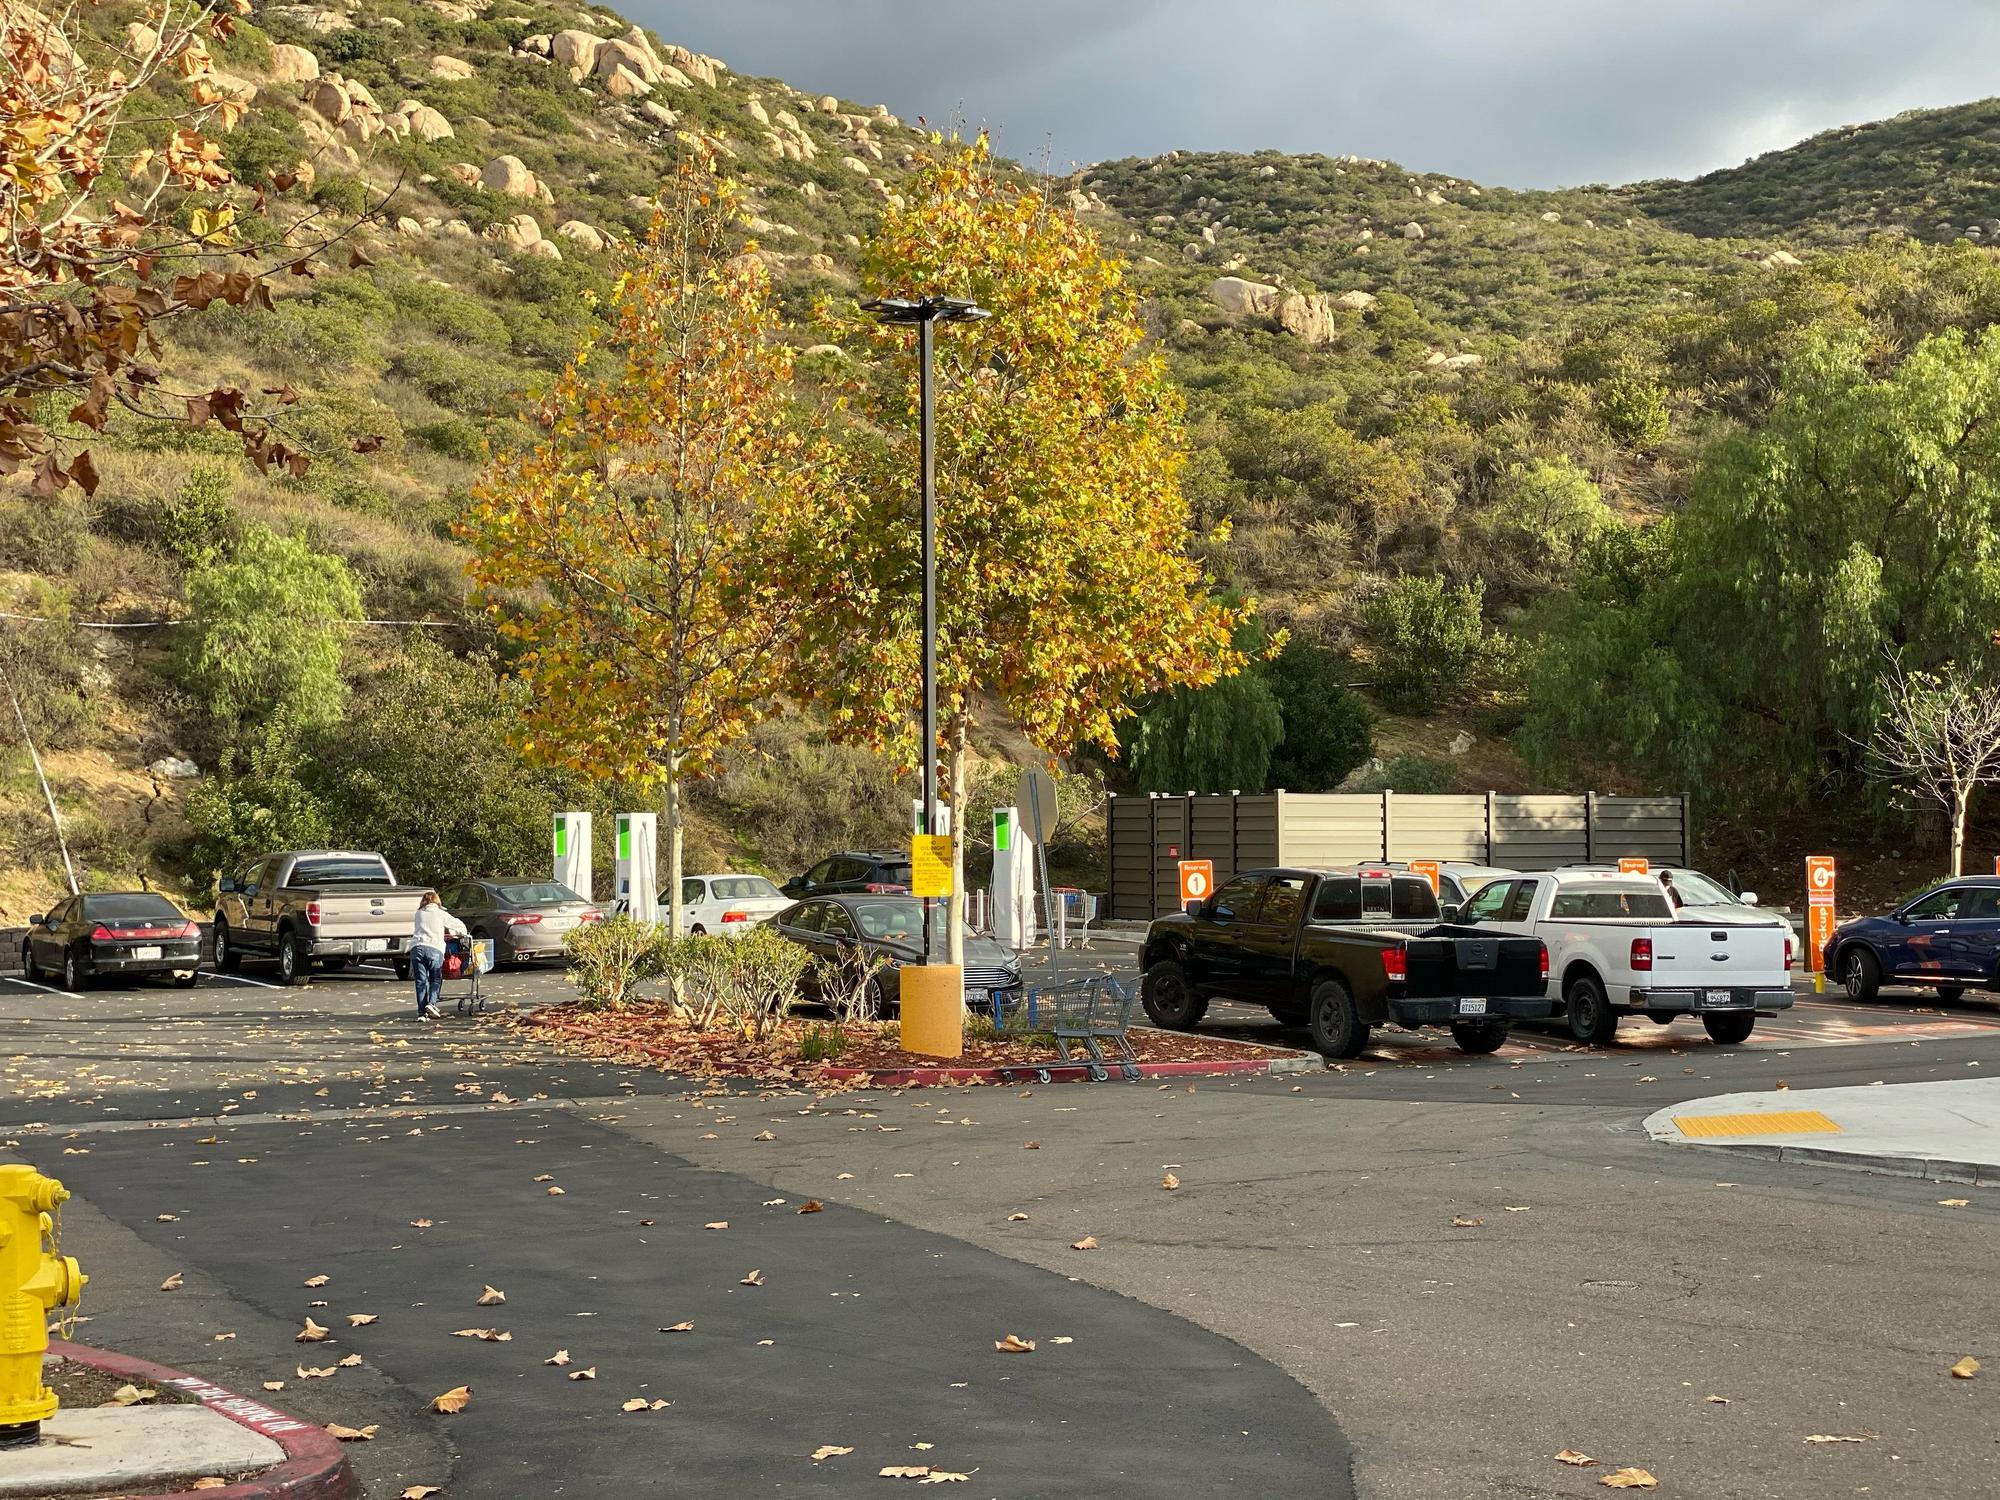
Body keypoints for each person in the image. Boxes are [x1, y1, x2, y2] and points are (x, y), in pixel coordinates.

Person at [409, 890, 468, 1021]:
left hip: (416, 948)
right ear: (437, 901)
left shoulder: (418, 913)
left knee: (420, 981)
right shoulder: (441, 913)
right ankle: (432, 1003)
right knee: (435, 978)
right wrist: (460, 933)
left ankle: (421, 1013)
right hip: (433, 947)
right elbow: (459, 926)